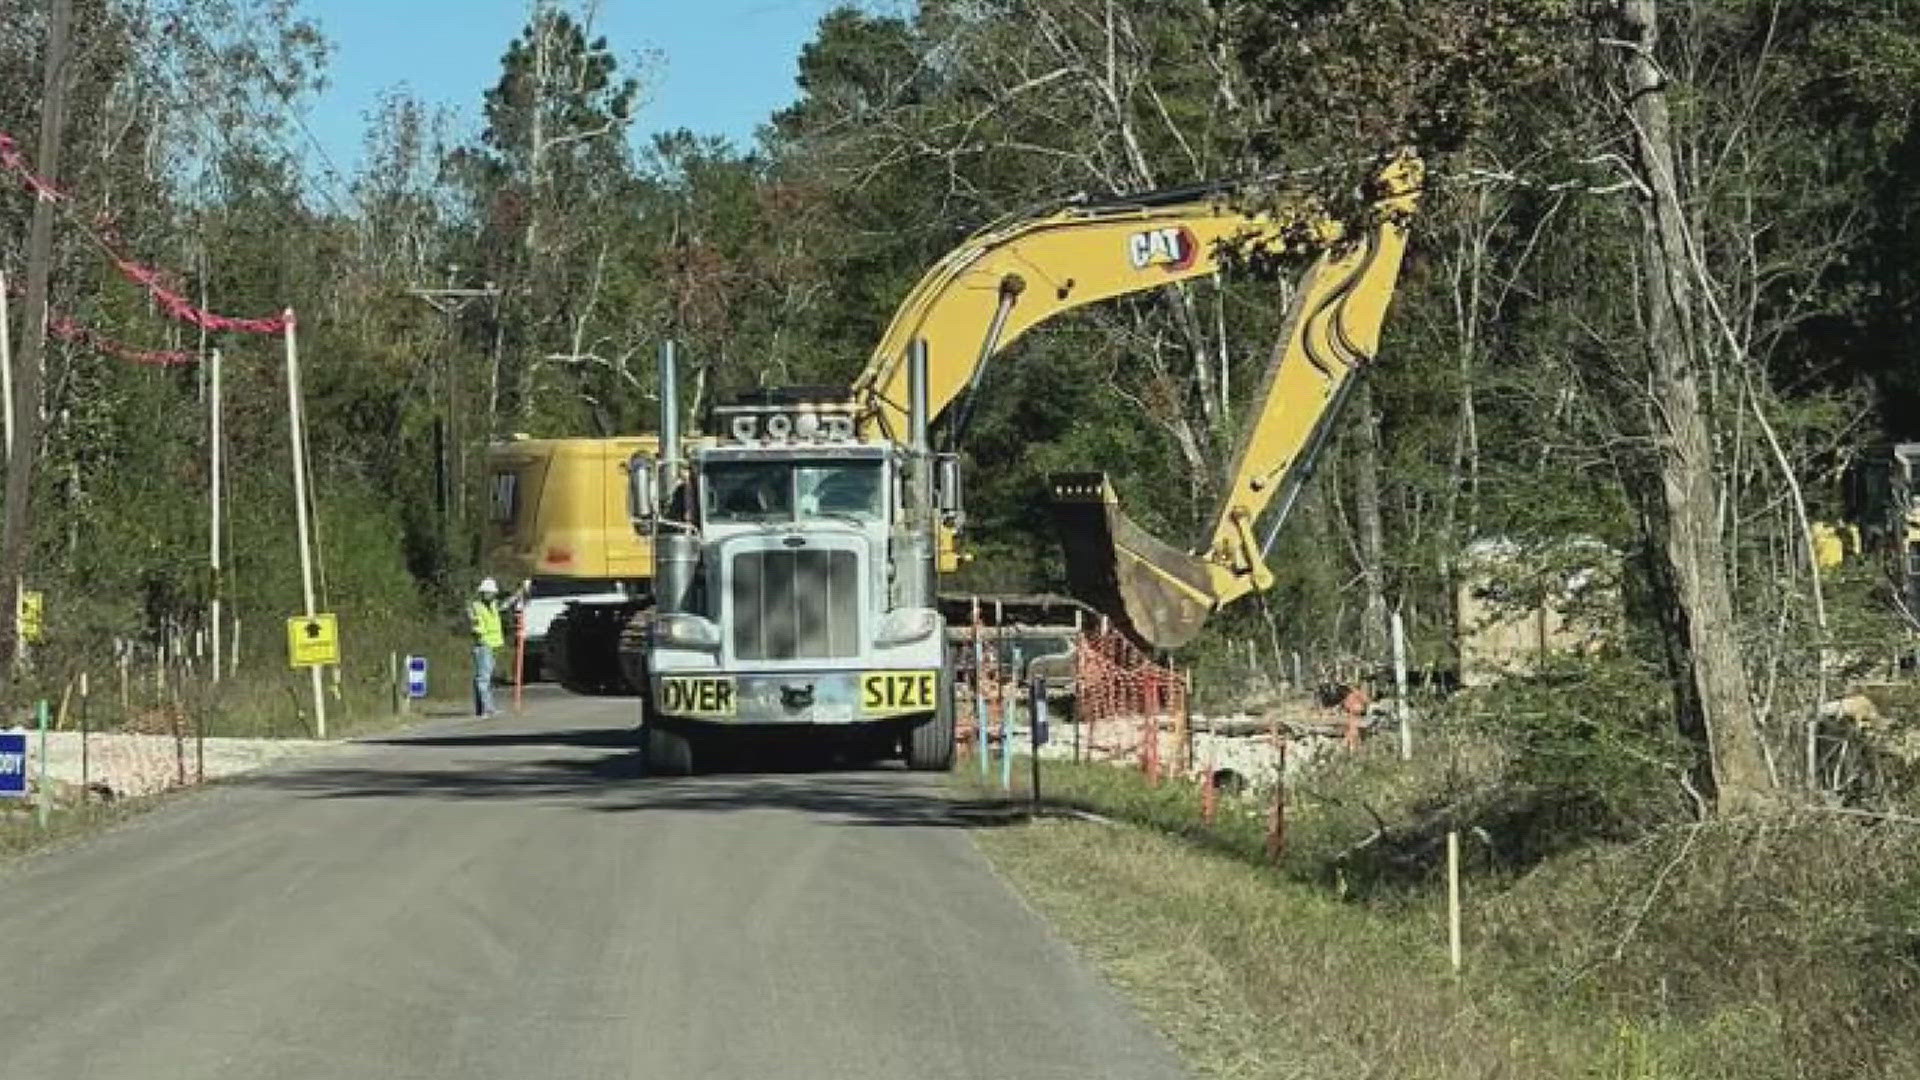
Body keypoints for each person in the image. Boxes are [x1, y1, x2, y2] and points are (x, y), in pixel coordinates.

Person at [469, 577, 522, 718]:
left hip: (493, 644)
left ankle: (484, 708)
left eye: (492, 593)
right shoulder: (476, 607)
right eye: (488, 592)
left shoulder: (493, 605)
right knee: (483, 678)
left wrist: (518, 594)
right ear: (483, 593)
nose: (491, 595)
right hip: (484, 644)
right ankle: (487, 709)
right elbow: (475, 625)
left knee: (485, 678)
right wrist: (480, 637)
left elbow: (505, 605)